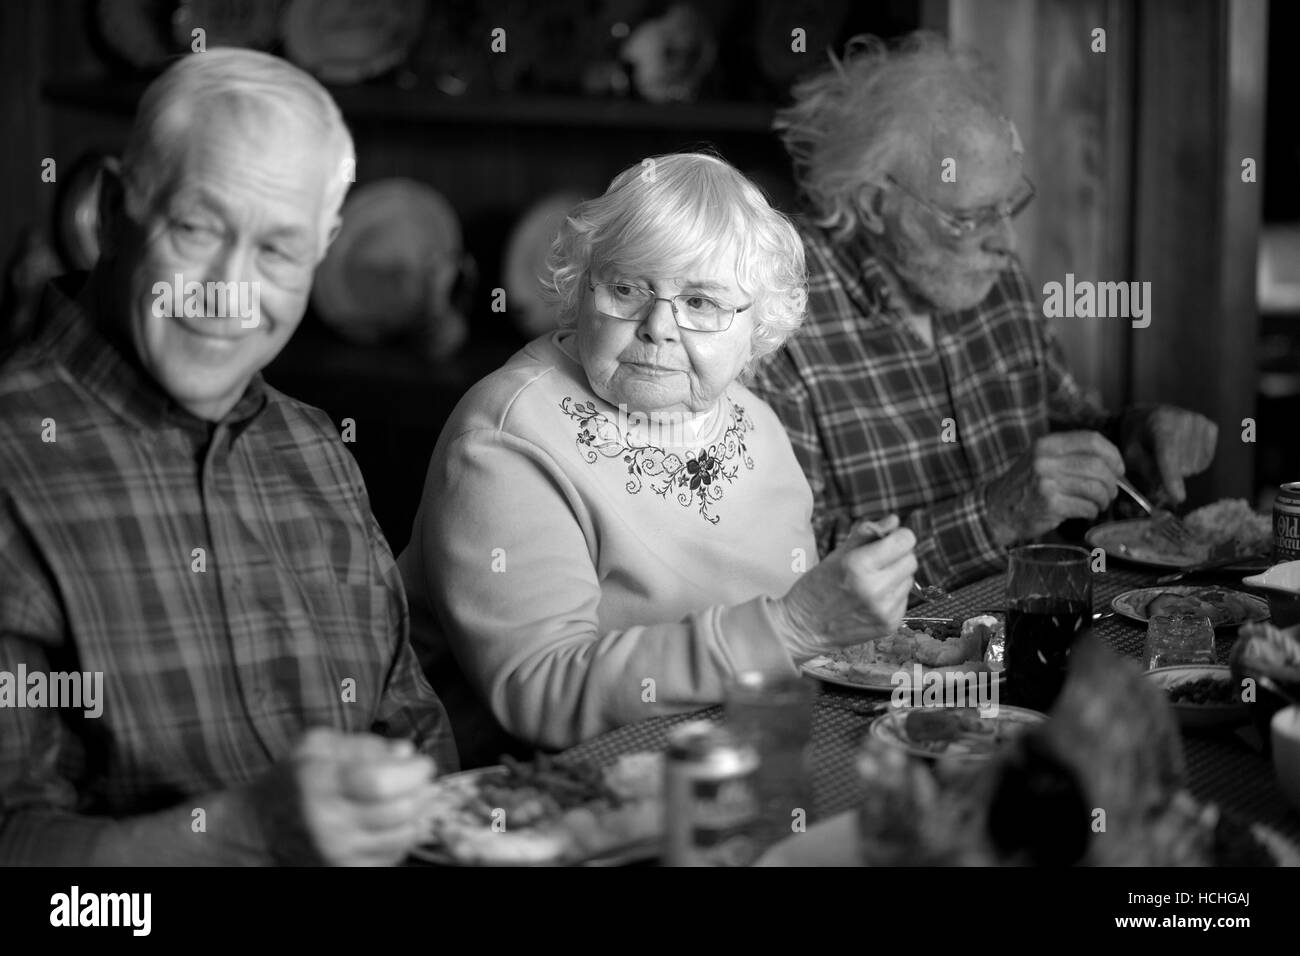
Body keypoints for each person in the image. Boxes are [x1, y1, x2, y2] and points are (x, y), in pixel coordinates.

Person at [0, 50, 456, 865]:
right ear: (110, 211)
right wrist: (243, 835)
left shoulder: (318, 451)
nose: (229, 291)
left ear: (324, 252)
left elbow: (417, 755)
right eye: (198, 228)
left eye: (279, 252)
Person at [400, 153, 917, 760]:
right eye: (627, 288)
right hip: (552, 798)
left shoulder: (754, 419)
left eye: (701, 302)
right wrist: (792, 628)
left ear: (761, 325)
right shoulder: (508, 436)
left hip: (731, 756)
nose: (658, 327)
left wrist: (844, 596)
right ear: (582, 288)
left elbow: (786, 627)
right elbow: (540, 691)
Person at [750, 33, 1218, 587]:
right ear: (876, 206)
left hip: (1048, 616)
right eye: (971, 218)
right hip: (894, 663)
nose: (1007, 242)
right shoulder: (777, 321)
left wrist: (1133, 441)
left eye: (1010, 205)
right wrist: (994, 516)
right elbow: (792, 566)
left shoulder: (992, 278)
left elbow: (1068, 429)